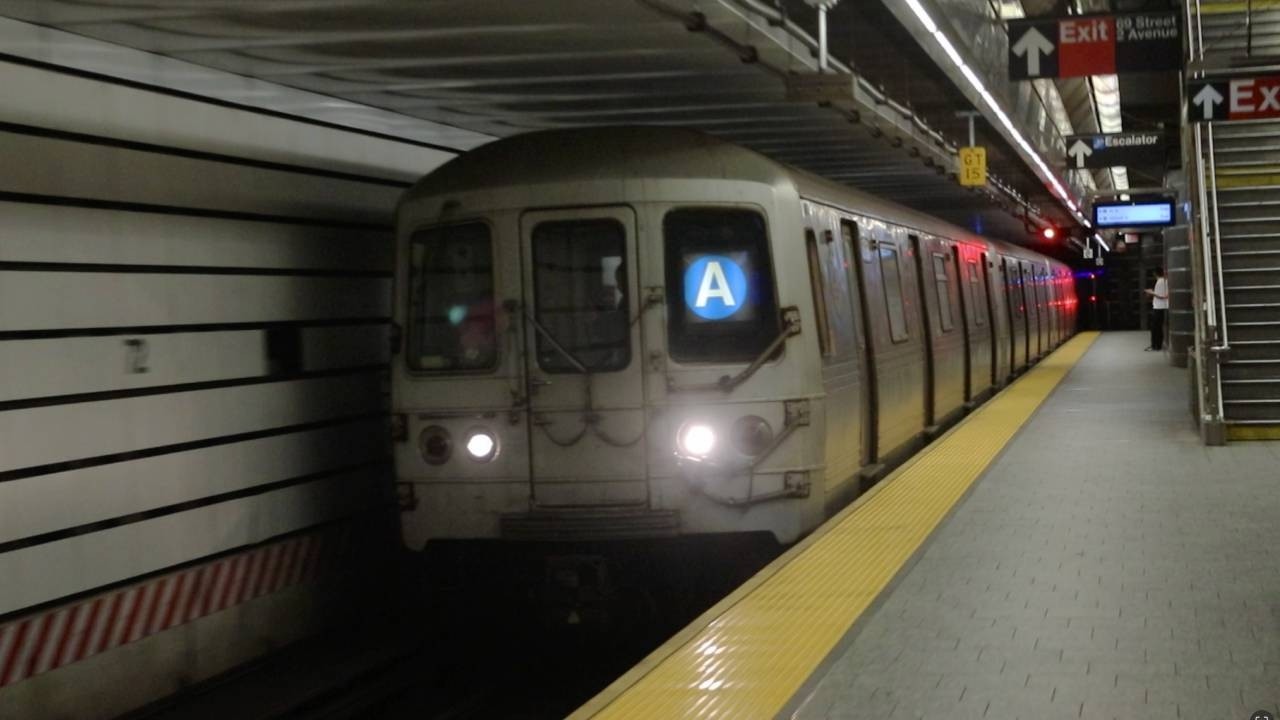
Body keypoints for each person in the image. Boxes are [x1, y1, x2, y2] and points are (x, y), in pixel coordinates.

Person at [1143, 268, 1168, 351]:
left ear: (1155, 274)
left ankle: (1155, 346)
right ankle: (1158, 345)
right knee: (1158, 328)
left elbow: (1161, 296)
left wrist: (1151, 292)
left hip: (1158, 307)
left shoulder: (1160, 282)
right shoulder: (1165, 281)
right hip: (1163, 307)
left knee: (1155, 328)